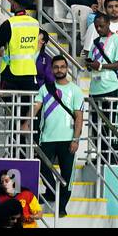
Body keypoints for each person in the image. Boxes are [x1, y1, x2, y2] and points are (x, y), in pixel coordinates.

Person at [33, 54, 84, 216]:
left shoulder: (75, 90)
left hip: (67, 140)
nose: (59, 70)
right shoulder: (44, 88)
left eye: (62, 67)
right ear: (52, 69)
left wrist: (75, 139)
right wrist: (26, 122)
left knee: (67, 176)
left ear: (67, 69)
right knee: (42, 168)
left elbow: (79, 118)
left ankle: (62, 206)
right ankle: (51, 191)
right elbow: (36, 107)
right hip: (47, 138)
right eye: (56, 67)